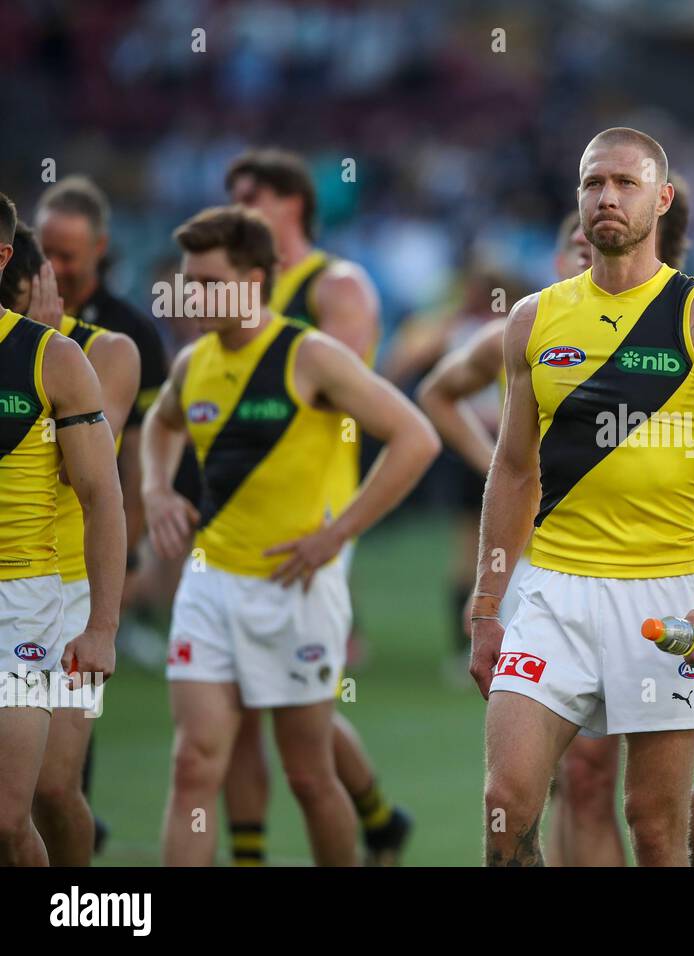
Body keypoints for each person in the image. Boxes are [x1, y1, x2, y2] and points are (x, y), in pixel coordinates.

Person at [471, 128, 694, 866]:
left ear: (662, 199)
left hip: (666, 596)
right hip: (552, 594)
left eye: (626, 183)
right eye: (592, 182)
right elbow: (513, 470)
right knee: (507, 805)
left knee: (656, 826)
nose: (607, 196)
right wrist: (486, 605)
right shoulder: (533, 319)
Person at [422, 192, 694, 866]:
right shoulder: (533, 324)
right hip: (544, 575)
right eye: (577, 250)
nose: (588, 257)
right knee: (554, 787)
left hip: (656, 585)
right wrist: (501, 468)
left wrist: (645, 466)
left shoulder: (690, 324)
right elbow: (442, 397)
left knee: (651, 812)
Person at [143, 206, 437, 866]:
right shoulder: (193, 363)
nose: (190, 297)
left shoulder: (311, 356)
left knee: (308, 775)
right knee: (193, 766)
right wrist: (155, 490)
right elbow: (160, 426)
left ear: (254, 281)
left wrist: (339, 534)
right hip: (209, 586)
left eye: (208, 283)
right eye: (188, 282)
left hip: (297, 589)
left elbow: (417, 437)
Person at [225, 148, 411, 865]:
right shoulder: (239, 292)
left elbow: (339, 394)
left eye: (250, 197)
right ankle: (380, 818)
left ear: (291, 204)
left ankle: (369, 816)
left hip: (316, 510)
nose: (239, 211)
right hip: (239, 506)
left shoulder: (335, 285)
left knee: (277, 694)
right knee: (264, 690)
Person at [0, 223, 140, 866]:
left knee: (35, 800)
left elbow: (99, 491)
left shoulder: (69, 355)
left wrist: (104, 627)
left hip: (38, 596)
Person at [36, 177, 169, 851]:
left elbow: (113, 462)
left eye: (67, 255)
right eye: (43, 253)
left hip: (75, 575)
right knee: (23, 798)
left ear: (99, 249)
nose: (54, 269)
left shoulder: (120, 340)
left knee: (55, 787)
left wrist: (128, 563)